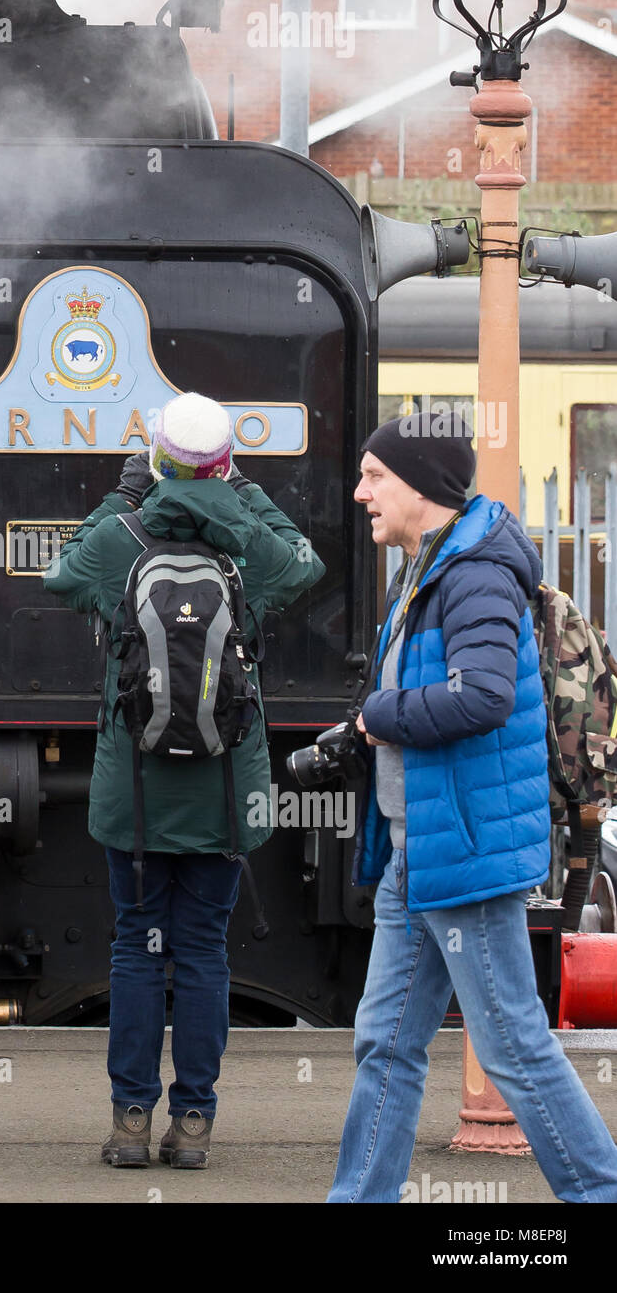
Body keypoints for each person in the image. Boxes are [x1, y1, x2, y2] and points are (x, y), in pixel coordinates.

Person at [328, 412, 617, 1203]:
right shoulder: (430, 567)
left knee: (514, 1045)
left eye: (374, 476)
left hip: (463, 853)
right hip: (420, 851)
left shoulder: (474, 573)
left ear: (420, 484)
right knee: (385, 1046)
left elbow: (482, 698)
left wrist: (378, 718)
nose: (360, 493)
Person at [44, 393, 324, 1169]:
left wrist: (126, 491)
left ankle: (131, 1122)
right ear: (225, 464)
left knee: (137, 945)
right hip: (225, 793)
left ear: (158, 458)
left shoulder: (122, 538)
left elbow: (62, 574)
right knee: (203, 950)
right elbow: (307, 563)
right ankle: (193, 1124)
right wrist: (242, 490)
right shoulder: (250, 548)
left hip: (132, 790)